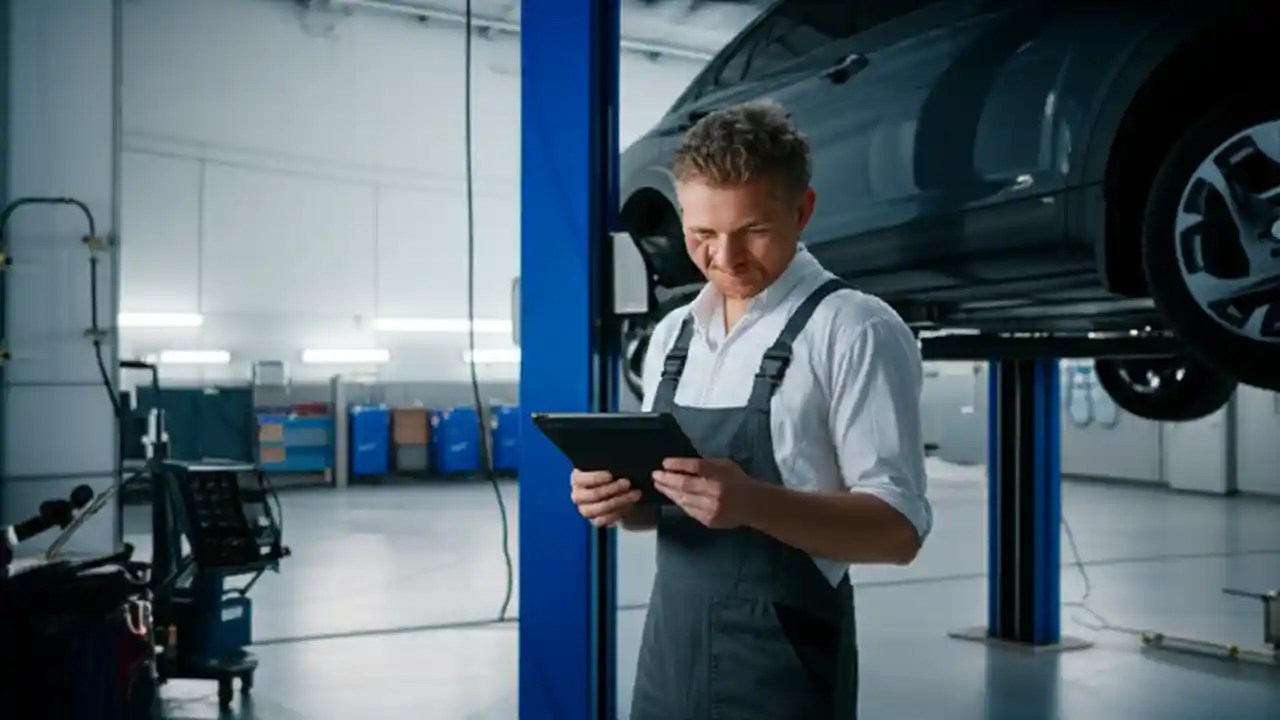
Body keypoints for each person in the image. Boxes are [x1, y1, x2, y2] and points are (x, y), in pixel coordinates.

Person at [570, 100, 932, 720]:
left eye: (754, 231)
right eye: (702, 234)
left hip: (783, 667)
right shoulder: (672, 336)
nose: (726, 258)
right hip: (668, 658)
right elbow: (669, 511)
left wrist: (752, 503)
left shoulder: (854, 328)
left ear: (803, 210)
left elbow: (899, 531)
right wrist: (625, 504)